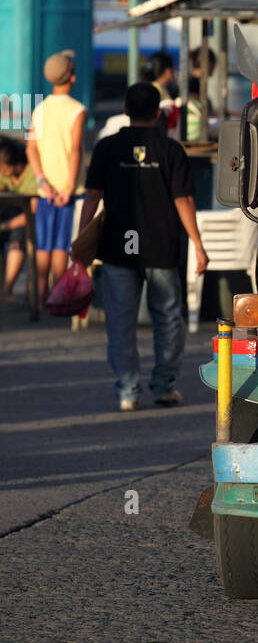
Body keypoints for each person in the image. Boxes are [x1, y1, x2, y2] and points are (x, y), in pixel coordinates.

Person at [78, 82, 209, 411]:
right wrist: (198, 243)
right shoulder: (171, 150)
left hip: (118, 246)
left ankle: (127, 391)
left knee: (120, 320)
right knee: (167, 317)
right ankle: (163, 386)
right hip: (161, 245)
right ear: (158, 113)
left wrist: (81, 240)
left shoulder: (107, 148)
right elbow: (184, 200)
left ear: (124, 110)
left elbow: (91, 196)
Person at [26, 50, 86, 304]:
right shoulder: (77, 110)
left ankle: (41, 295)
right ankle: (57, 295)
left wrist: (42, 181)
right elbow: (75, 149)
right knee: (61, 243)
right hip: (67, 191)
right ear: (71, 78)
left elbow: (31, 148)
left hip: (45, 191)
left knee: (43, 244)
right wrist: (69, 186)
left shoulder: (39, 109)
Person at [0, 137, 38, 296]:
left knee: (18, 238)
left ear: (17, 164)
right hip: (9, 216)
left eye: (3, 167)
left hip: (28, 220)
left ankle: (7, 289)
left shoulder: (32, 175)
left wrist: (5, 226)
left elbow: (34, 210)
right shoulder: (5, 175)